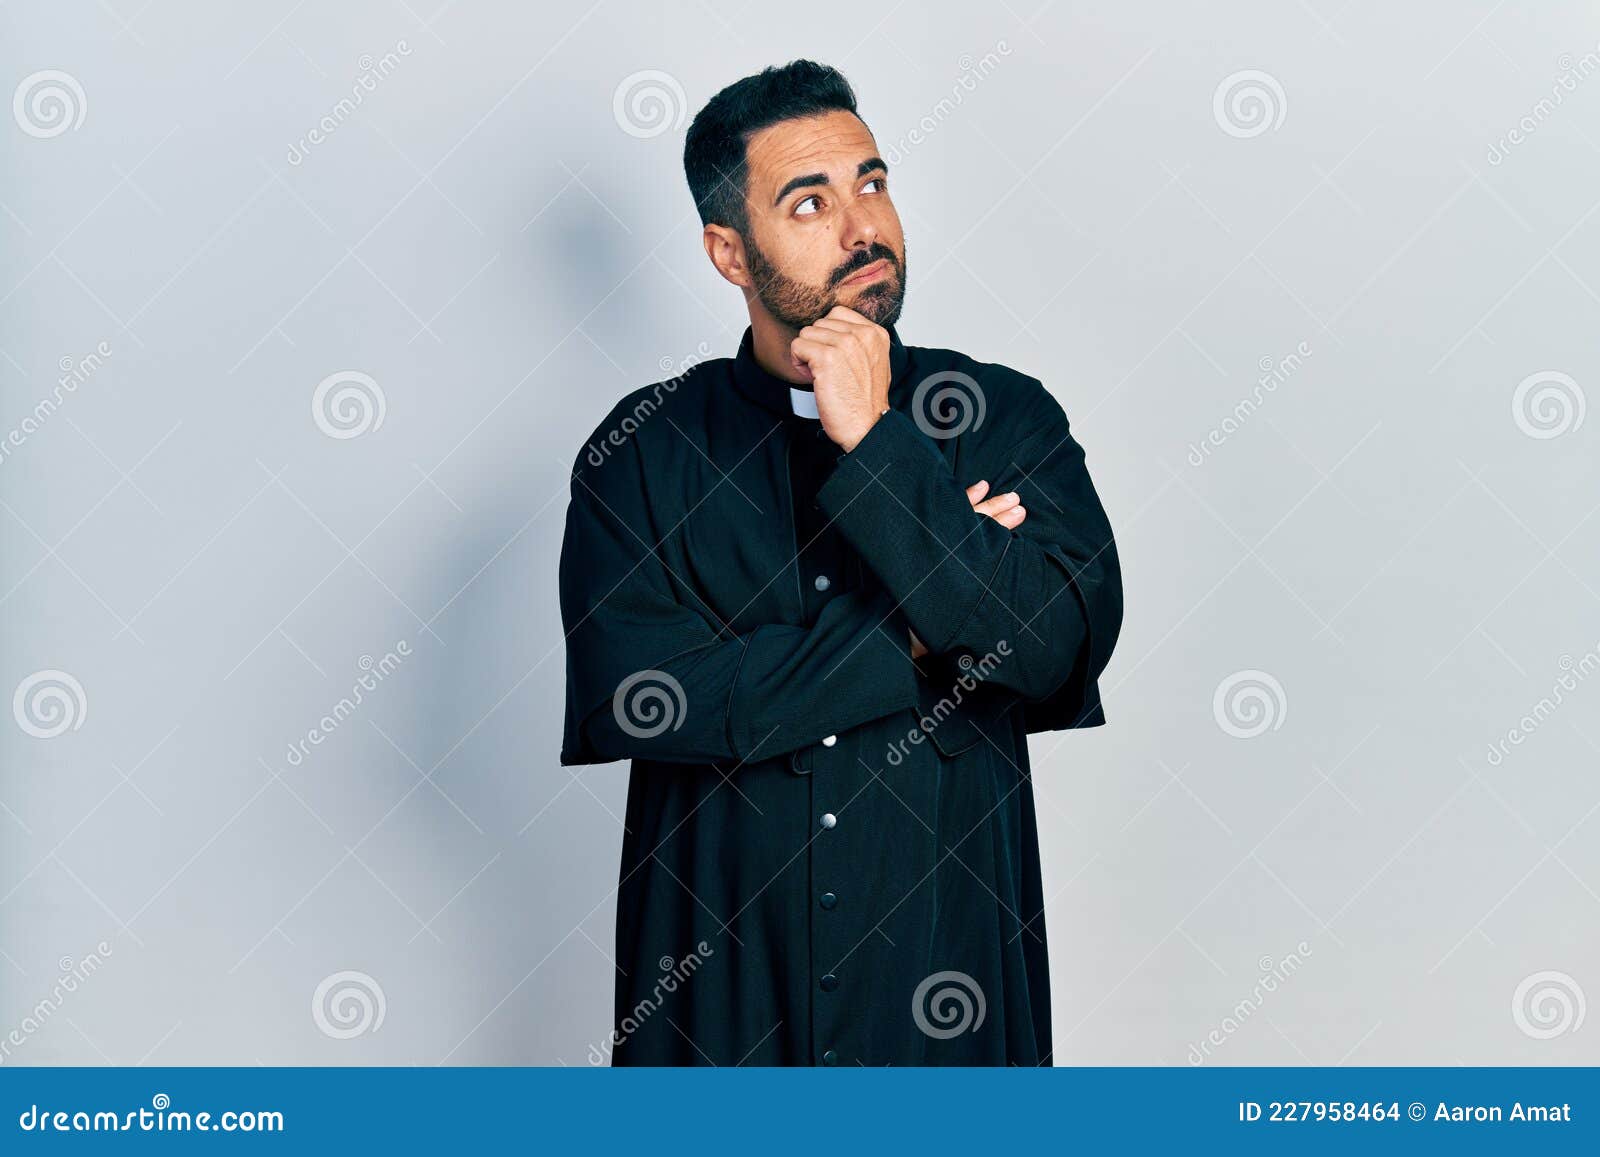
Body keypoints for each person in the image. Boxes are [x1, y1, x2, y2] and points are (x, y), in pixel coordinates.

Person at [558, 60, 1122, 1066]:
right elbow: (640, 698)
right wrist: (919, 625)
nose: (863, 225)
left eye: (872, 183)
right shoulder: (638, 451)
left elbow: (1049, 645)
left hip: (948, 1015)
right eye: (809, 202)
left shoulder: (1005, 420)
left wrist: (877, 442)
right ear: (729, 251)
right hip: (719, 1016)